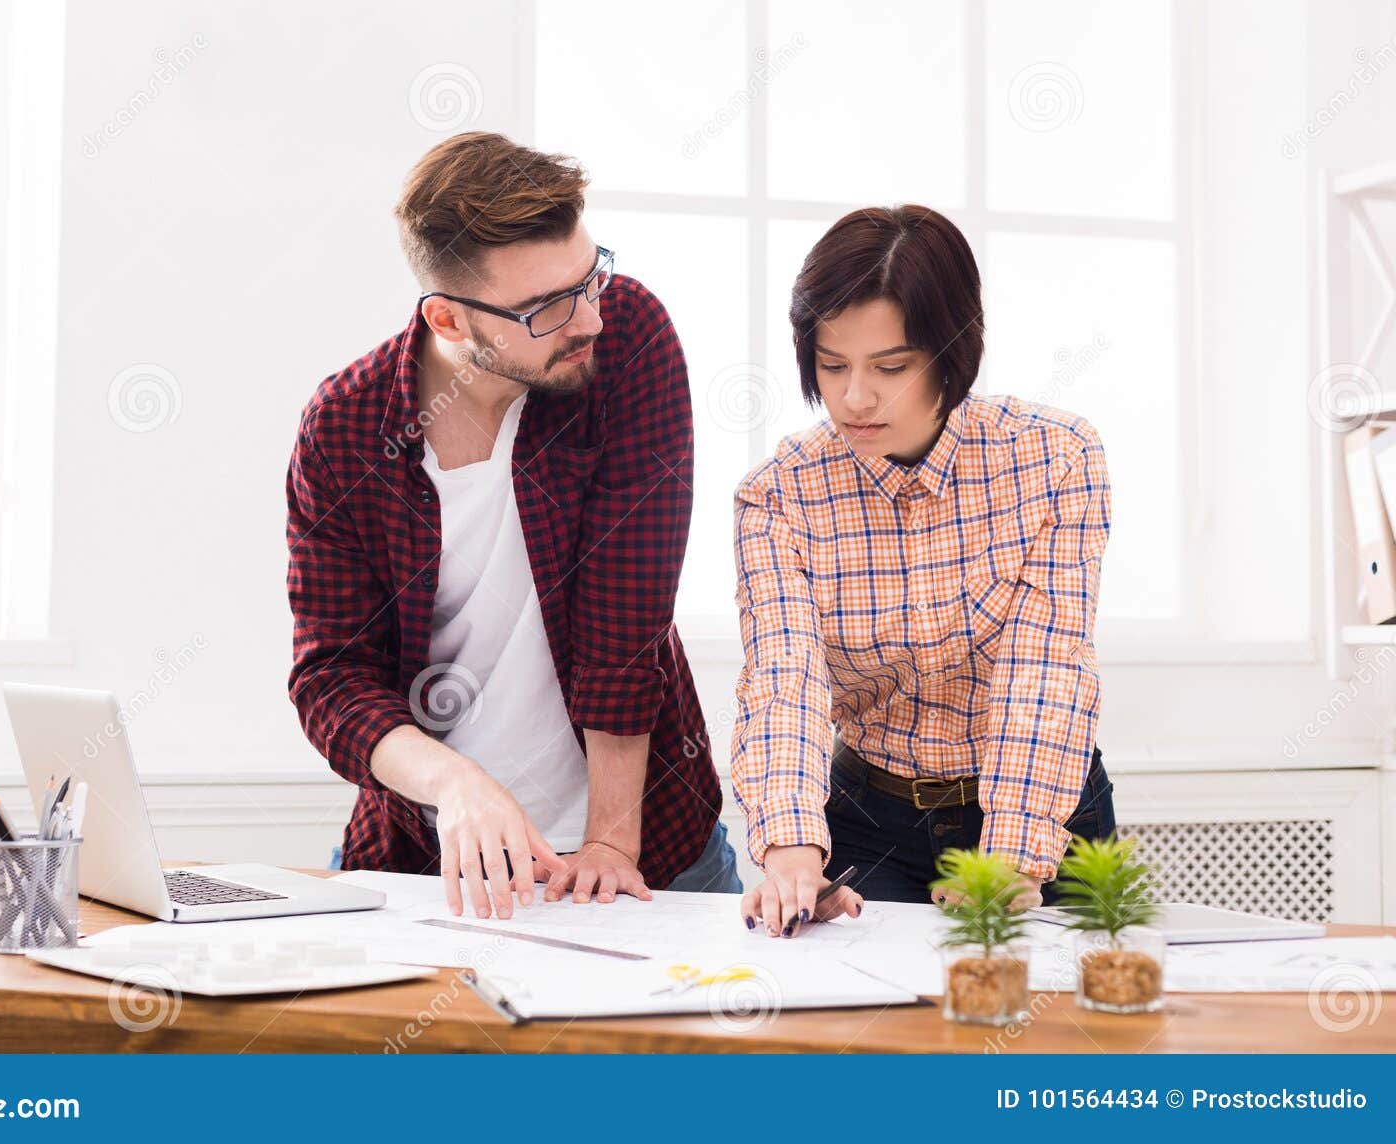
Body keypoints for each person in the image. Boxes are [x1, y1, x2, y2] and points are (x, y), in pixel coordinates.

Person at [287, 132, 738, 923]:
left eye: (589, 276)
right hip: (435, 863)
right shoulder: (345, 428)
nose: (589, 318)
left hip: (651, 850)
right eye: (545, 309)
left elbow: (625, 617)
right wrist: (457, 787)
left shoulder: (628, 337)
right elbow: (332, 679)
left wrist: (609, 843)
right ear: (449, 319)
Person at [731, 204, 1115, 937]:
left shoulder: (1056, 459)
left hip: (1043, 809)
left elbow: (1045, 667)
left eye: (891, 367)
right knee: (874, 1039)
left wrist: (1010, 857)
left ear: (953, 352)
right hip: (871, 823)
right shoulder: (779, 493)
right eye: (832, 364)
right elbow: (785, 675)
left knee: (1068, 1037)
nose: (854, 397)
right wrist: (791, 851)